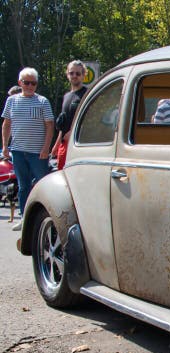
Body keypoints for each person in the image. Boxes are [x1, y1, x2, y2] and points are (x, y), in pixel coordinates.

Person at [1, 67, 54, 231]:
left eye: (33, 83)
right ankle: (24, 218)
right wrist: (5, 146)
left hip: (38, 152)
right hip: (17, 150)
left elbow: (50, 125)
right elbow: (6, 124)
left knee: (42, 184)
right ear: (20, 83)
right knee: (23, 186)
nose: (30, 86)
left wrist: (46, 148)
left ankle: (48, 217)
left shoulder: (42, 101)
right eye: (27, 82)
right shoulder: (12, 101)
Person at [51, 60, 88, 170]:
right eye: (71, 73)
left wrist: (73, 132)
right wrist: (56, 146)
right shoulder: (66, 96)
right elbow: (64, 123)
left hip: (79, 145)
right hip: (64, 146)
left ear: (83, 75)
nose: (74, 76)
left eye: (78, 73)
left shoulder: (87, 93)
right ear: (67, 74)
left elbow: (90, 120)